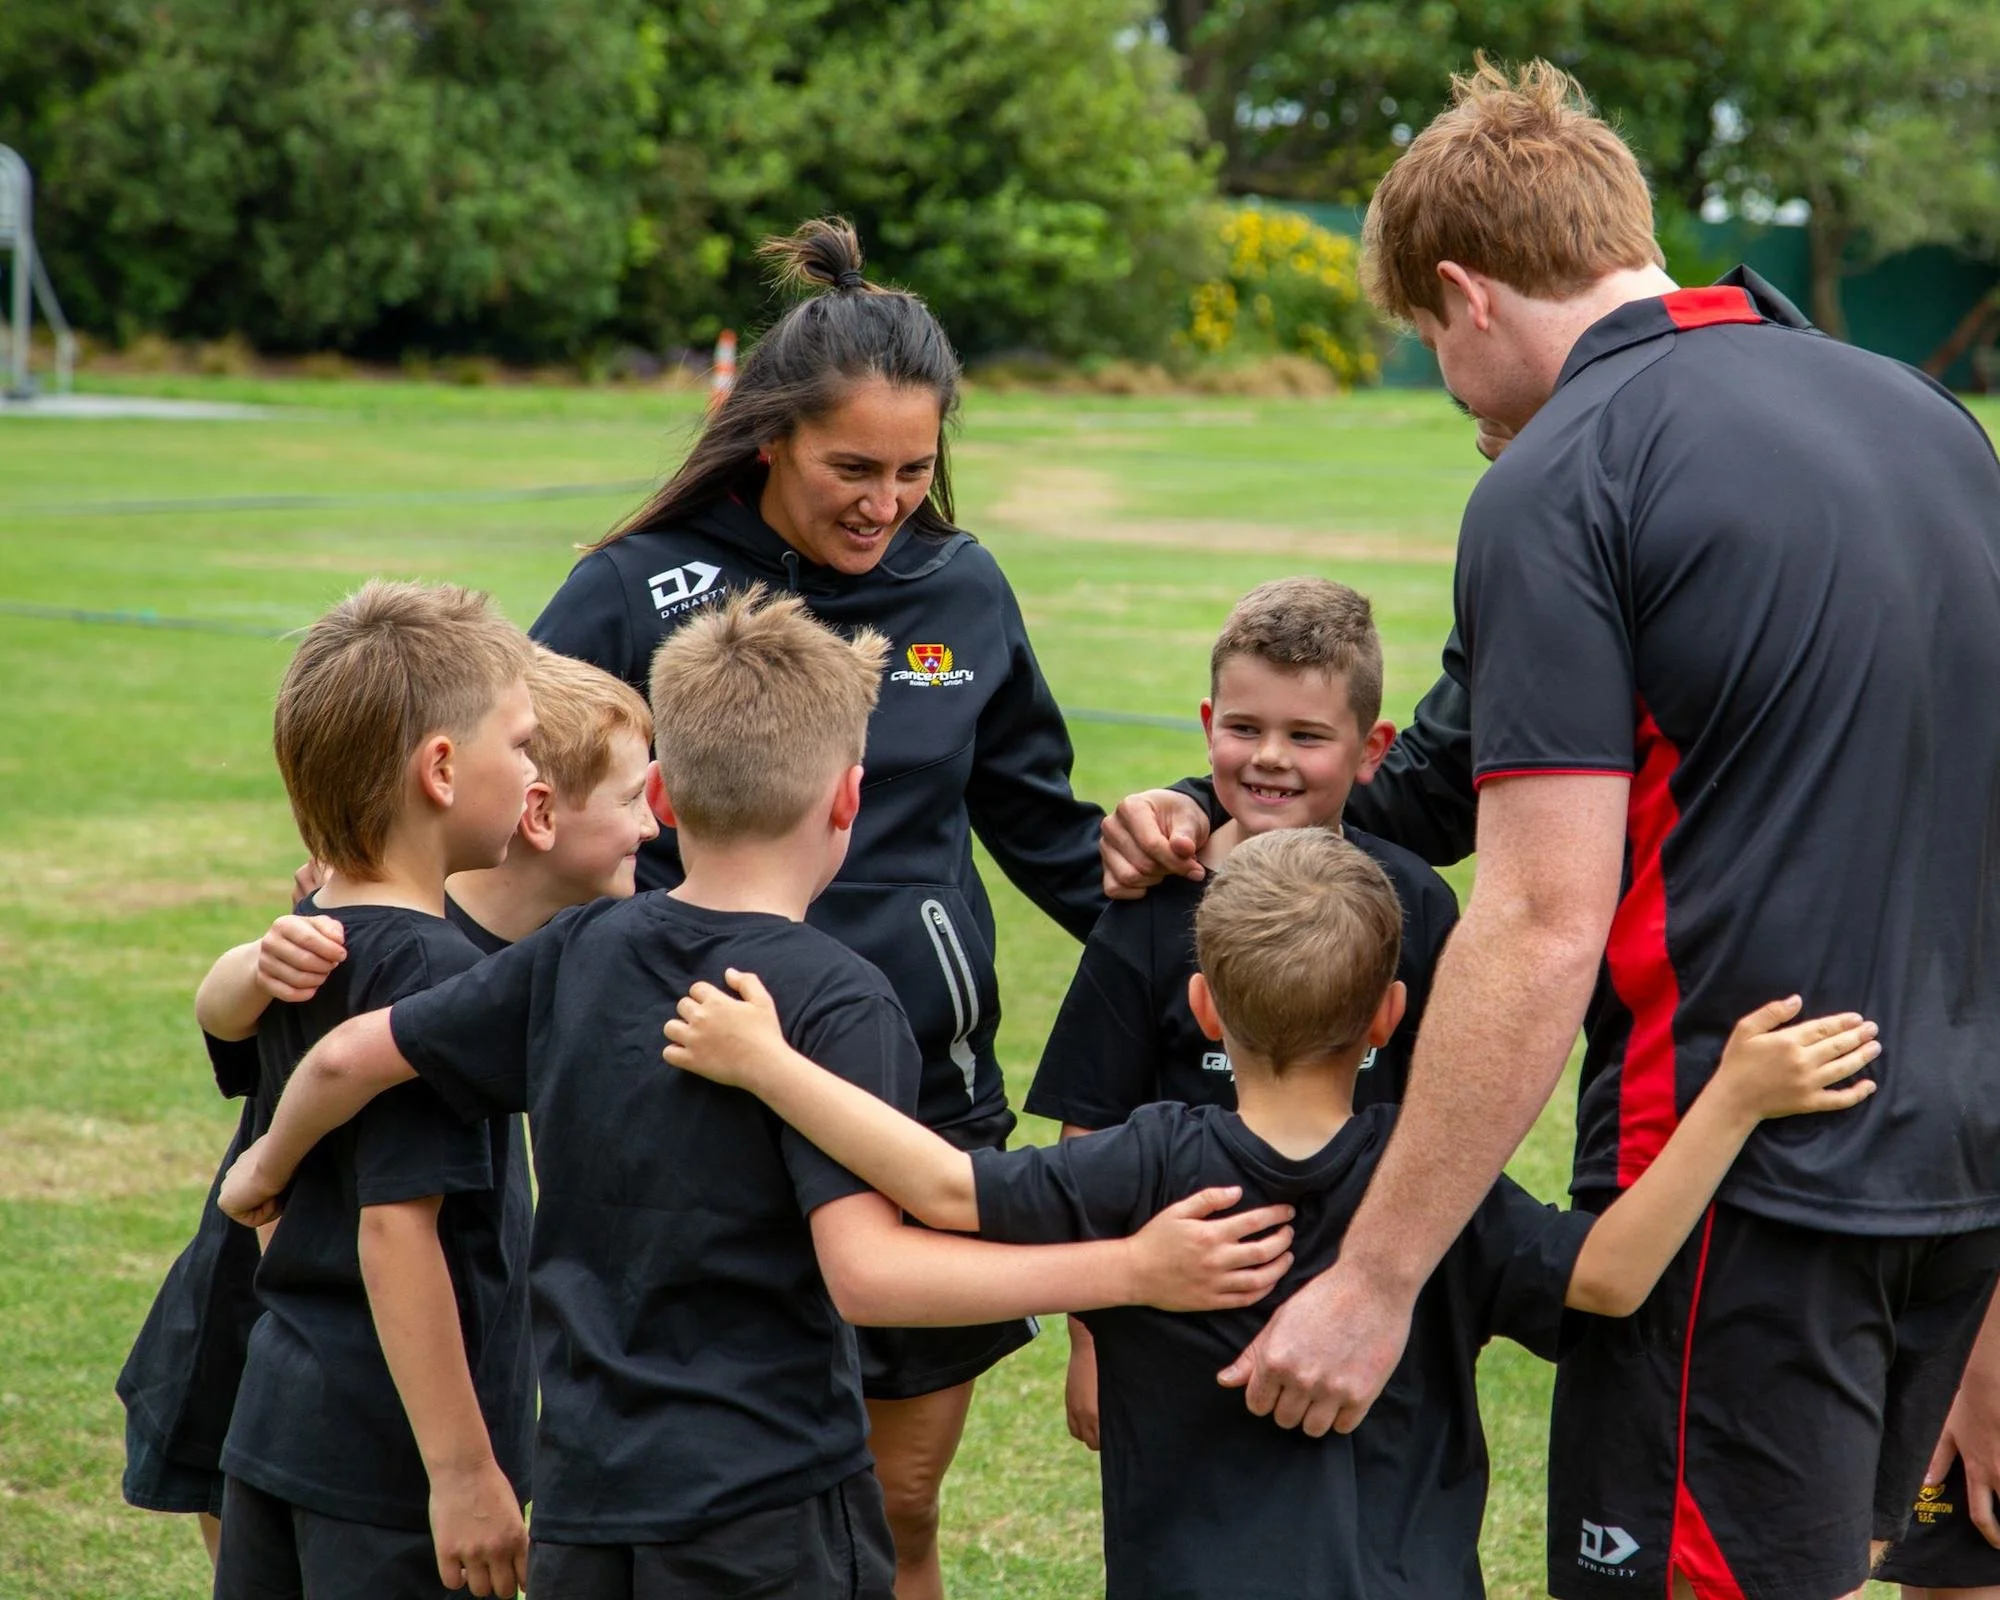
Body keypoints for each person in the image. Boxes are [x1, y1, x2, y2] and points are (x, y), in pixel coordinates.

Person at [1103, 56, 2000, 1600]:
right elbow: (1431, 782)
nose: (1456, 400)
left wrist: (1373, 1284)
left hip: (1731, 1188)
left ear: (1466, 296)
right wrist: (1200, 813)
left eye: (1429, 346)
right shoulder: (1930, 423)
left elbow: (1536, 919)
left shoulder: (1567, 473)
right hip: (1957, 1165)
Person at [213, 590, 1296, 1600]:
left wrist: (266, 1163)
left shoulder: (578, 945)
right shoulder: (839, 1002)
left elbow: (354, 1056)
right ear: (848, 796)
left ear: (669, 796)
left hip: (586, 1507)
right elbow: (868, 1274)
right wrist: (1128, 1270)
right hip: (762, 1509)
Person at [660, 828, 1883, 1600]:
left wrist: (768, 1063)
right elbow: (1610, 1278)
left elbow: (937, 1186)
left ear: (1198, 1006)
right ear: (1392, 1019)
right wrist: (1728, 1103)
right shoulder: (1431, 1188)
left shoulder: (1144, 1168)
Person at [529, 216, 1110, 1596]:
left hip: (917, 1104)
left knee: (894, 1505)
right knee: (715, 1504)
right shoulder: (633, 591)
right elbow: (515, 803)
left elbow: (1041, 823)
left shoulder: (961, 586)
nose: (885, 500)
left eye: (914, 469)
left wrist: (1199, 909)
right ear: (768, 435)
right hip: (695, 1106)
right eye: (855, 466)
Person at [1025, 576, 1457, 1450]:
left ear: (1372, 748)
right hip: (1177, 1314)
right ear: (1205, 723)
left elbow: (1444, 1115)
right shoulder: (1150, 910)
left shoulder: (1414, 904)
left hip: (1359, 1305)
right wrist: (1089, 1340)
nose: (1270, 758)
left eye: (1306, 736)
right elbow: (1090, 1135)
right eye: (1244, 727)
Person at [198, 580, 540, 1600]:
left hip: (280, 1415)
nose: (534, 770)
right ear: (440, 768)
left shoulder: (304, 941)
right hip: (390, 1462)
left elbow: (220, 1016)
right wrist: (464, 1471)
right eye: (520, 743)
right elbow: (397, 1230)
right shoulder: (432, 976)